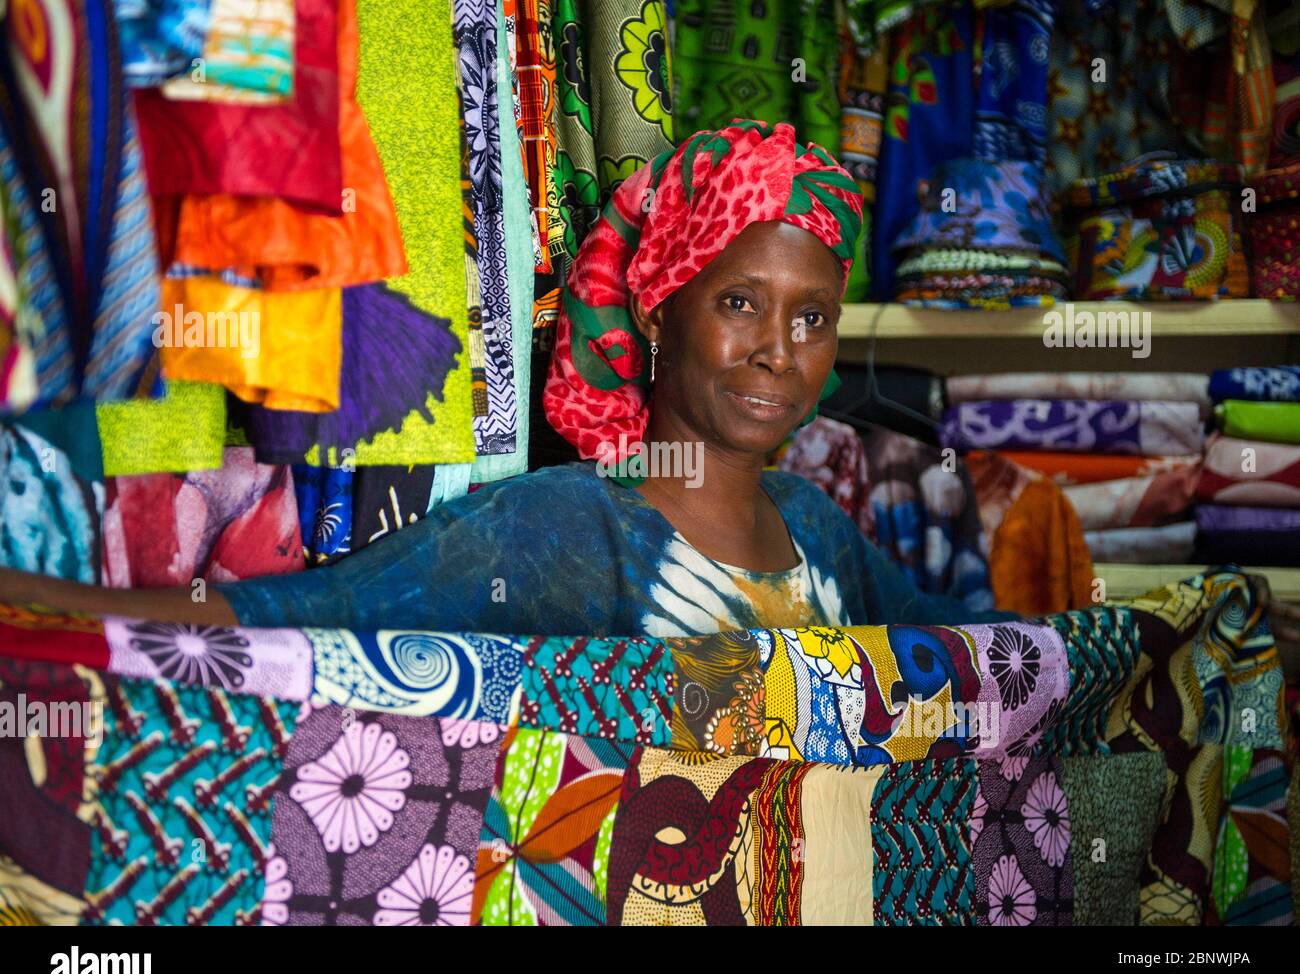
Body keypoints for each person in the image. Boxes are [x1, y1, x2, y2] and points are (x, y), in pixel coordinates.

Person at [4, 120, 1298, 641]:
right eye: (738, 304)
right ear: (658, 314)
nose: (777, 350)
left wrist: (1177, 634)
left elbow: (975, 676)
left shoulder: (824, 544)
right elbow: (284, 629)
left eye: (810, 318)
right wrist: (28, 604)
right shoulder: (566, 527)